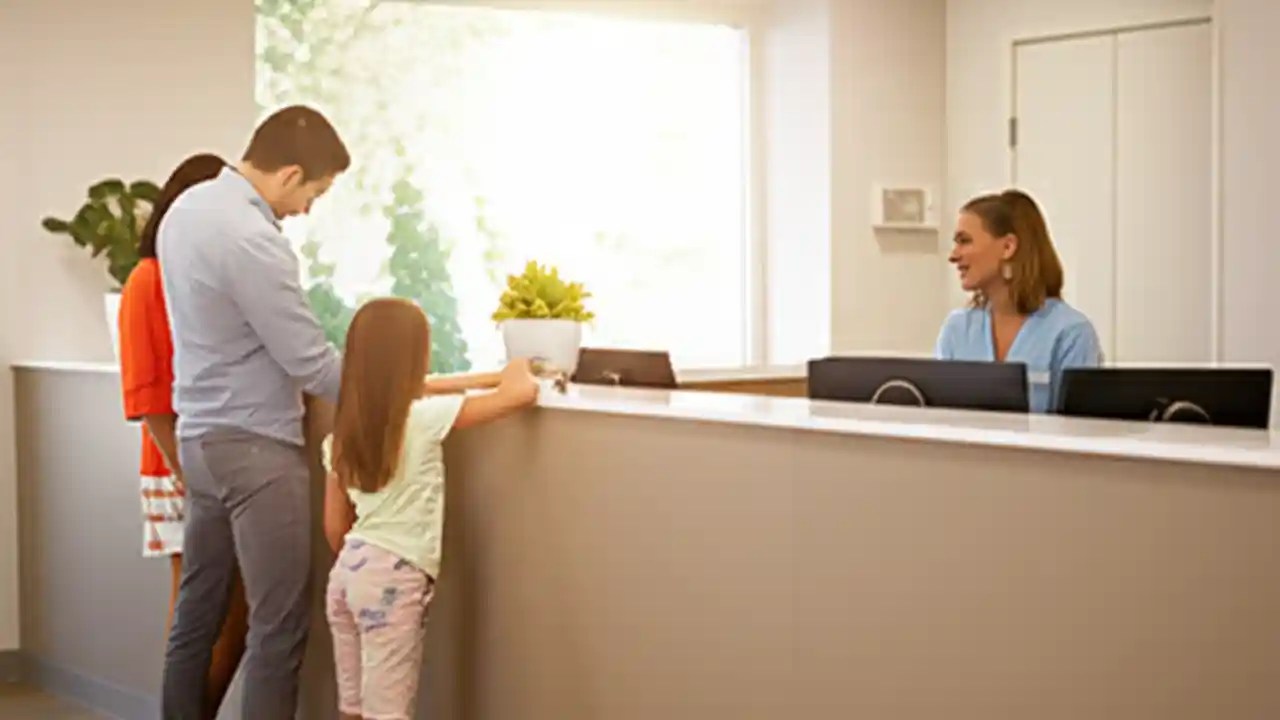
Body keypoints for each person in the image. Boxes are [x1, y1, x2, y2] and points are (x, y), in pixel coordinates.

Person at [159, 105, 350, 719]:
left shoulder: (185, 211)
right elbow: (312, 364)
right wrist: (394, 383)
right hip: (257, 452)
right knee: (277, 627)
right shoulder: (254, 240)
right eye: (314, 193)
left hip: (201, 442)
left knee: (196, 616)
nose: (306, 210)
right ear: (291, 174)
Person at [322, 298, 539, 720]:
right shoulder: (422, 419)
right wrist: (518, 364)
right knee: (388, 714)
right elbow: (521, 393)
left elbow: (335, 527)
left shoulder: (340, 437)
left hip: (347, 576)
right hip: (394, 578)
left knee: (353, 709)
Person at [117, 153, 249, 715]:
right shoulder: (148, 279)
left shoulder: (190, 279)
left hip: (207, 461)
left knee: (227, 612)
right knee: (205, 609)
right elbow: (148, 398)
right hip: (179, 463)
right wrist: (193, 477)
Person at [935, 189, 1102, 413]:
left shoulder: (1071, 333)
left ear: (1007, 247)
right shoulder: (957, 329)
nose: (953, 255)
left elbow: (1081, 433)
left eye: (965, 241)